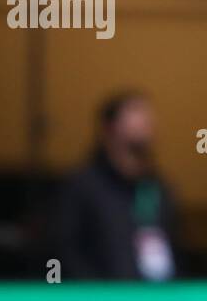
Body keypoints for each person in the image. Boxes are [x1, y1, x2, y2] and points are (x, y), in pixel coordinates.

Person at [52, 92, 180, 281]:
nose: (147, 122)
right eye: (136, 113)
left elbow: (171, 248)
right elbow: (65, 250)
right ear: (110, 127)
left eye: (148, 115)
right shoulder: (83, 186)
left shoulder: (156, 187)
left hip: (153, 300)